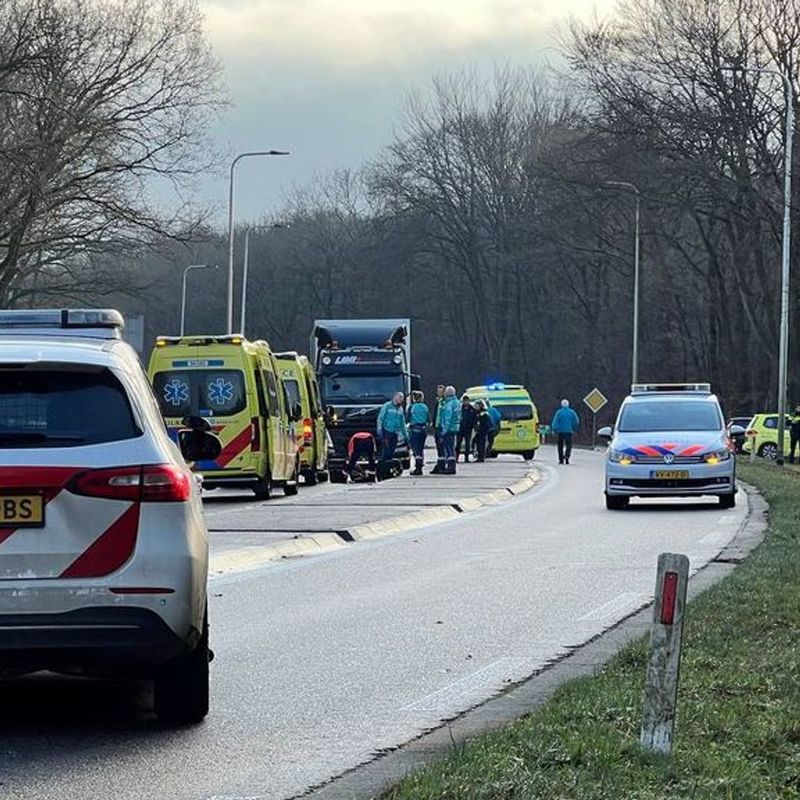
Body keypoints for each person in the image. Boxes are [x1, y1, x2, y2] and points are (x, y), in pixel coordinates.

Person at [377, 391, 409, 463]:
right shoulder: (387, 406)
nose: (401, 399)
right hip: (387, 431)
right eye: (400, 397)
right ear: (395, 397)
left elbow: (402, 423)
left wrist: (406, 435)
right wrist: (379, 431)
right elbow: (380, 418)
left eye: (402, 398)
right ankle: (383, 467)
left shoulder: (400, 409)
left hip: (395, 432)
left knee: (392, 451)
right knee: (386, 451)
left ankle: (388, 468)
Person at [437, 385, 461, 474]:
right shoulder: (457, 403)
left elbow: (447, 418)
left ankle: (451, 467)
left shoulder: (449, 404)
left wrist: (444, 430)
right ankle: (452, 466)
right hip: (455, 427)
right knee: (451, 446)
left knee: (448, 448)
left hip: (449, 428)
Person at [407, 390, 430, 475]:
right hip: (423, 429)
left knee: (415, 448)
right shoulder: (425, 407)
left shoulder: (411, 407)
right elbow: (428, 419)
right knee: (421, 448)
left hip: (414, 429)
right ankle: (420, 464)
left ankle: (418, 467)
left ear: (414, 398)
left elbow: (407, 419)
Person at [551, 398, 580, 465]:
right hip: (569, 431)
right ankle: (567, 456)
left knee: (560, 446)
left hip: (560, 432)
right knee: (569, 445)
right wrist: (574, 428)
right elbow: (576, 421)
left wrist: (554, 429)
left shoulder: (559, 412)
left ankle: (561, 459)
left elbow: (555, 422)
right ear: (568, 405)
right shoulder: (572, 412)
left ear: (561, 405)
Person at [430, 385, 447, 474]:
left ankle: (441, 466)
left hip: (441, 427)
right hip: (437, 427)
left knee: (442, 447)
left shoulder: (444, 402)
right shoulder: (439, 402)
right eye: (438, 391)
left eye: (440, 391)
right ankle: (440, 465)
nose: (438, 392)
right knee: (439, 447)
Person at [456, 395, 477, 462]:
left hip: (468, 429)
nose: (466, 402)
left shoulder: (472, 409)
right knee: (458, 444)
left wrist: (473, 426)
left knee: (467, 444)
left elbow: (474, 418)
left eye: (467, 401)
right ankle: (456, 457)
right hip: (460, 429)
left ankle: (466, 458)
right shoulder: (460, 408)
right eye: (464, 401)